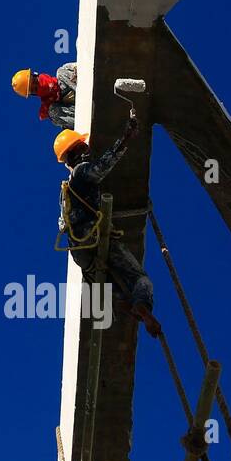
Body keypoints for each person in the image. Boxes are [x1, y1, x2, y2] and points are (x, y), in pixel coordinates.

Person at [53, 115, 161, 338]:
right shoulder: (82, 172)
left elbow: (62, 224)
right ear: (78, 150)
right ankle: (142, 304)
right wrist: (126, 138)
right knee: (141, 280)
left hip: (80, 252)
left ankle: (122, 301)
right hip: (96, 237)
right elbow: (104, 165)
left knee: (107, 285)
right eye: (84, 146)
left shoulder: (65, 192)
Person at [12, 63, 77, 129]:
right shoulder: (49, 106)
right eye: (34, 89)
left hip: (81, 89)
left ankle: (83, 89)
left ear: (35, 75)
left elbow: (77, 64)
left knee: (61, 72)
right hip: (78, 110)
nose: (38, 86)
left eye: (35, 81)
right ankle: (82, 122)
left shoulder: (62, 73)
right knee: (53, 112)